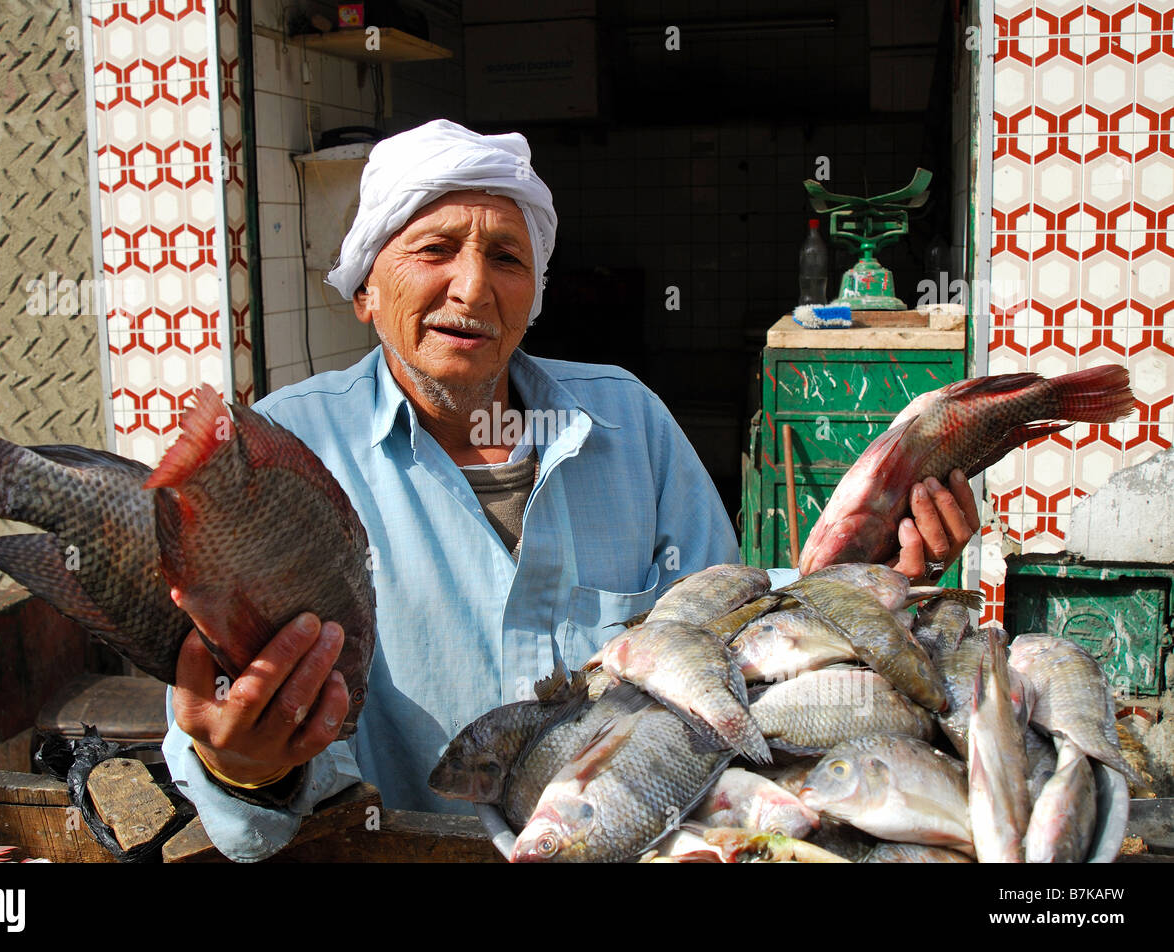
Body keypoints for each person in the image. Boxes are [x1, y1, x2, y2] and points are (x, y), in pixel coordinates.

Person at [161, 119, 979, 861]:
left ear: (534, 297)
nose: (473, 287)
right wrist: (245, 771)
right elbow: (250, 790)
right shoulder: (285, 456)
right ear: (367, 288)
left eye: (506, 258)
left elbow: (732, 653)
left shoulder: (629, 422)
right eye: (435, 248)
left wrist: (877, 589)